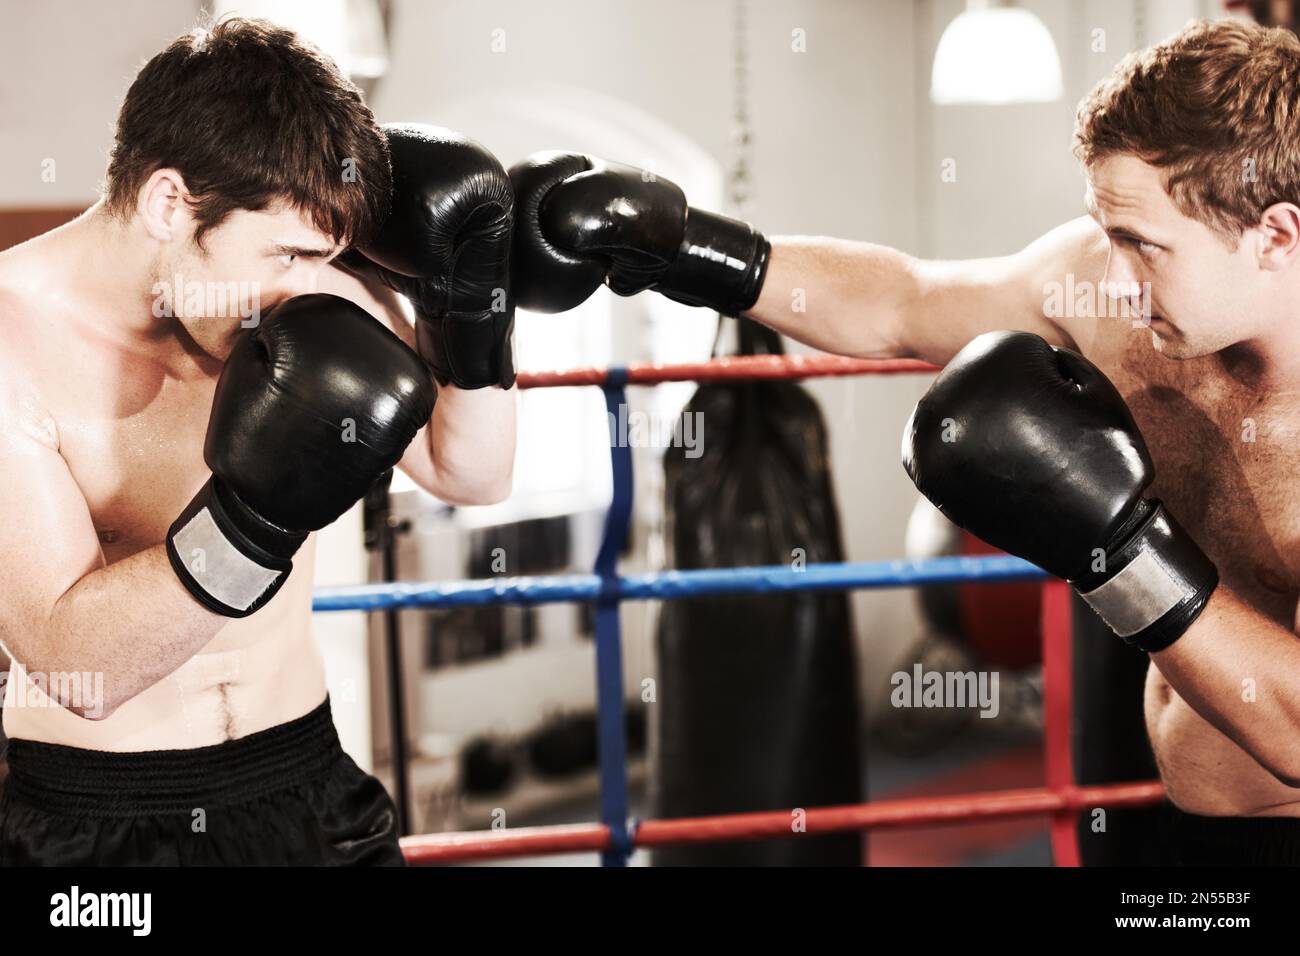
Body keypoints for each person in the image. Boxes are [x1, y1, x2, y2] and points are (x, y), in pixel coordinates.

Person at [510, 17, 1300, 865]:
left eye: (1142, 246)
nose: (1112, 279)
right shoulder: (1120, 300)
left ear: (1276, 236)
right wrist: (684, 250)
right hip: (1170, 822)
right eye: (1108, 235)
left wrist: (1125, 554)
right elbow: (902, 300)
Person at [0, 17, 516, 864]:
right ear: (171, 201)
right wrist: (256, 523)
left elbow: (474, 471)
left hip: (308, 783)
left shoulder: (300, 287)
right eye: (287, 254)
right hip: (100, 823)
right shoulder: (15, 343)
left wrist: (473, 308)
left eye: (325, 258)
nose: (307, 288)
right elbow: (73, 664)